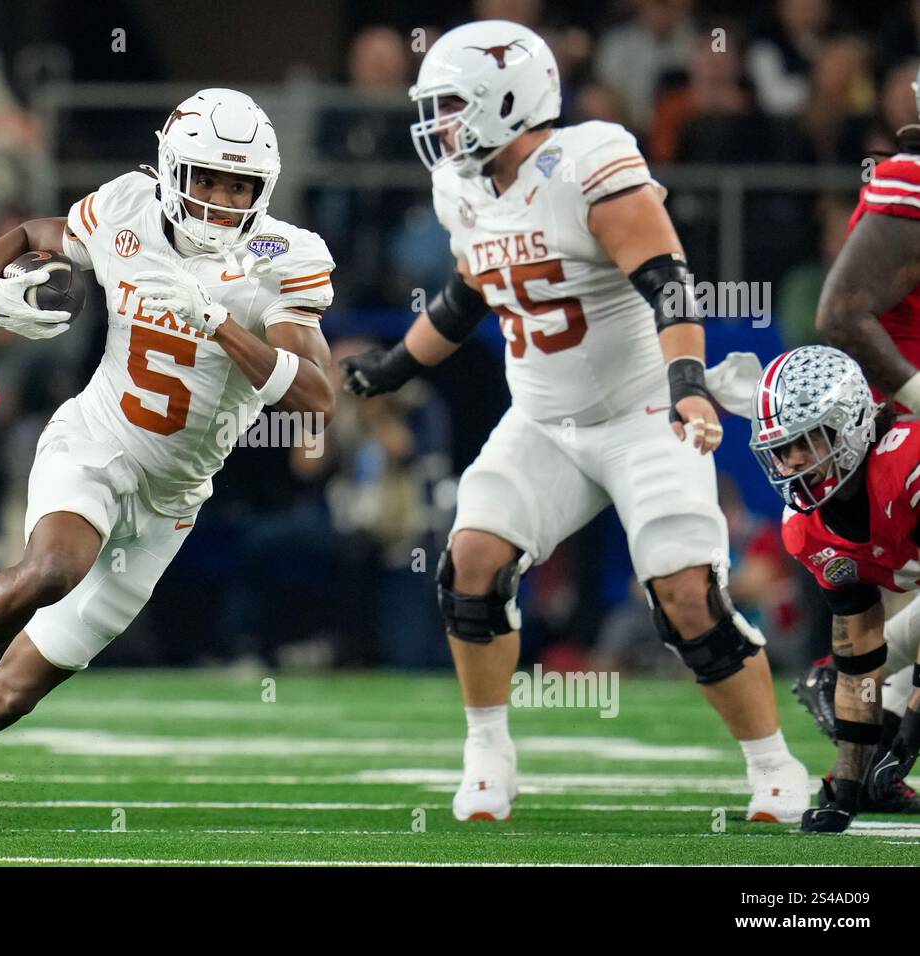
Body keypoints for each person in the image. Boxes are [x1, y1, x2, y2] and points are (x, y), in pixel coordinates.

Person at [0, 89, 337, 844]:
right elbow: (32, 231)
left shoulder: (283, 258)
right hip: (97, 441)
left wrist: (219, 321)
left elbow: (318, 392)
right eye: (209, 179)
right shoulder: (128, 208)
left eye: (240, 185)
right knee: (54, 567)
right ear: (170, 171)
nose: (225, 199)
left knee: (13, 692)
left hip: (173, 500)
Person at [341, 20, 808, 823]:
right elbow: (467, 294)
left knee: (687, 598)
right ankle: (488, 752)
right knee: (472, 564)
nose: (441, 125)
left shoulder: (584, 162)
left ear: (509, 98)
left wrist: (689, 384)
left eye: (454, 105)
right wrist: (393, 368)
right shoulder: (463, 186)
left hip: (642, 412)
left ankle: (773, 765)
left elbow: (671, 284)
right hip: (545, 421)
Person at [750, 346, 920, 831]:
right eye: (782, 449)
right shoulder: (808, 530)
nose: (793, 462)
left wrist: (909, 736)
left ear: (849, 425)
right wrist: (846, 790)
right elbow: (861, 661)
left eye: (807, 441)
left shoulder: (909, 464)